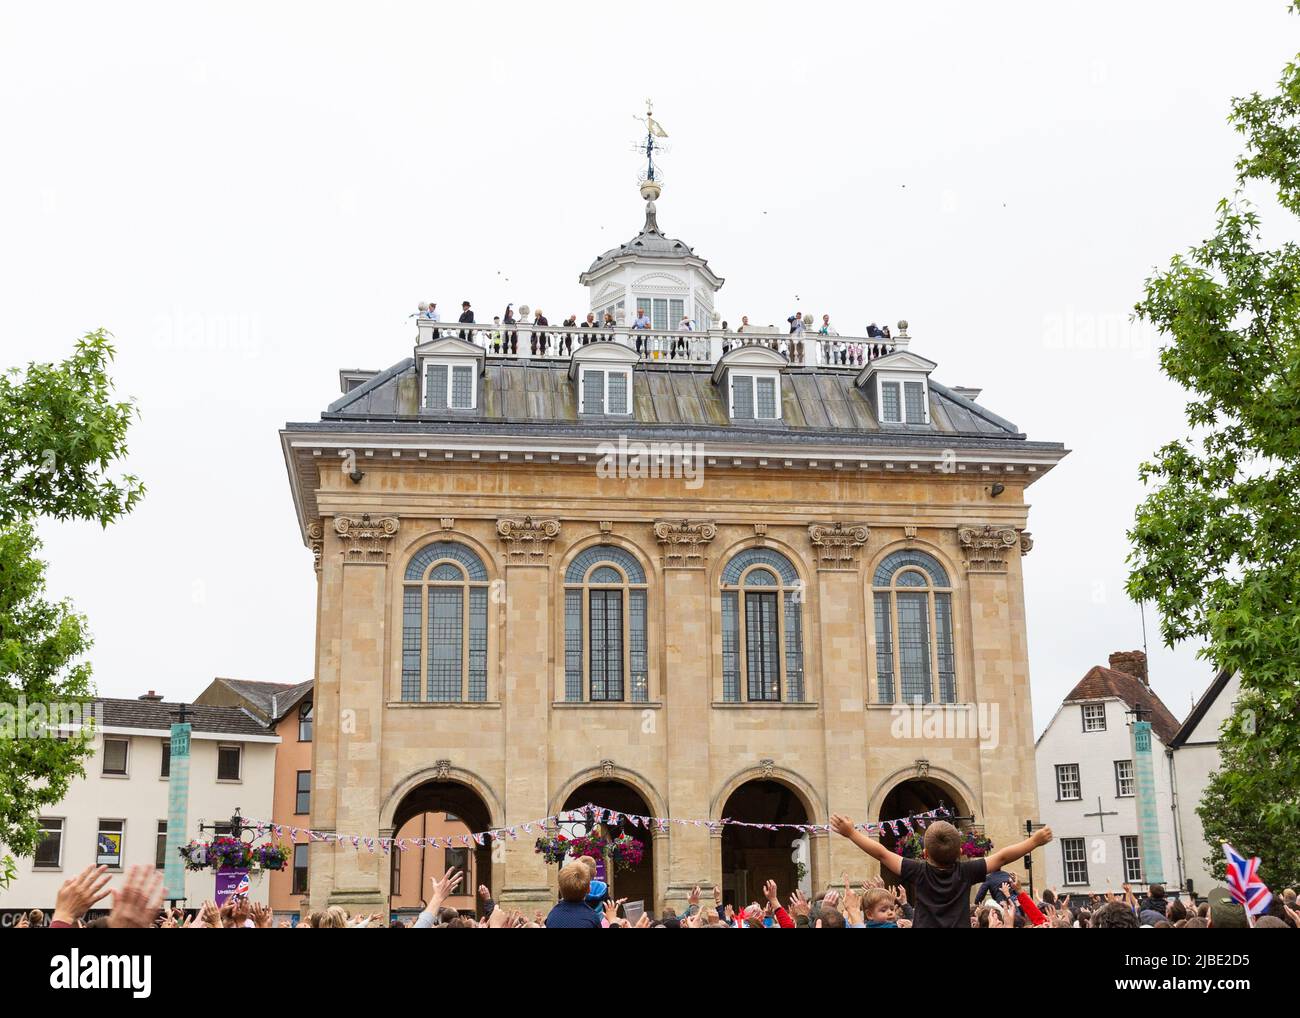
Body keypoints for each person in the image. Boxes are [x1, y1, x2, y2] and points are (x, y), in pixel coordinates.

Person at [829, 813, 1053, 929]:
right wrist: (1034, 841)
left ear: (925, 853)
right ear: (959, 854)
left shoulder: (918, 870)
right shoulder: (967, 871)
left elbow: (881, 853)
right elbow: (1003, 856)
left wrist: (851, 833)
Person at [545, 861, 604, 928]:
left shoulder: (552, 916)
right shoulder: (592, 918)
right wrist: (613, 923)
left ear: (559, 888)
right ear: (589, 889)